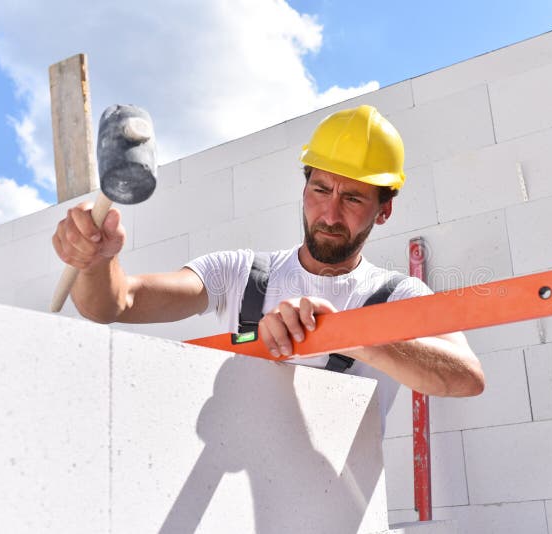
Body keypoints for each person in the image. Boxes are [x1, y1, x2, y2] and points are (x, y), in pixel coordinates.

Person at [52, 105, 485, 417]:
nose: (330, 215)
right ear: (304, 189)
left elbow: (466, 377)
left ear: (383, 210)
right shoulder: (241, 275)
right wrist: (97, 260)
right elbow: (114, 303)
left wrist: (348, 334)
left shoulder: (397, 296)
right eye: (321, 190)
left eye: (352, 198)